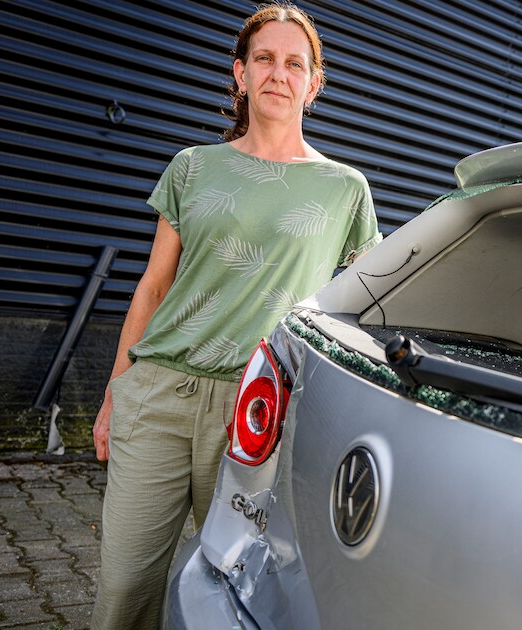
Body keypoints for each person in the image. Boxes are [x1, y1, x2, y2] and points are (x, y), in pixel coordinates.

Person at [90, 3, 381, 627]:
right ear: (241, 74)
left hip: (260, 411)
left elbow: (364, 304)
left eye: (294, 63)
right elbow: (152, 287)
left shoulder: (345, 189)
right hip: (161, 395)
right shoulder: (193, 167)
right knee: (124, 587)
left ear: (314, 82)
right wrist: (117, 392)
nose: (280, 73)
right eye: (265, 59)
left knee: (241, 596)